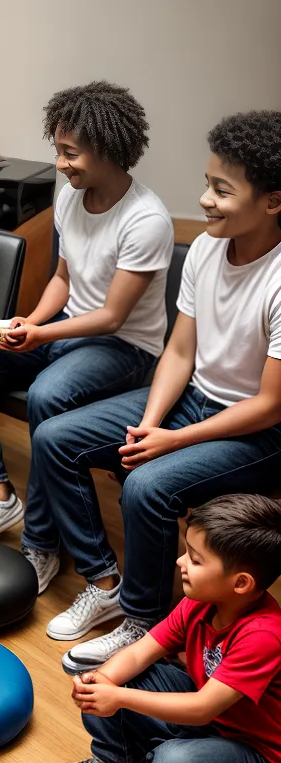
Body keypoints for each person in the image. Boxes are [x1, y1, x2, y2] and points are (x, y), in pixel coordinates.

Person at [32, 109, 281, 673]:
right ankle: (105, 582)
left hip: (260, 431)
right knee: (55, 438)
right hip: (196, 400)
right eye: (208, 184)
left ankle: (143, 622)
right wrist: (150, 423)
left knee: (147, 486)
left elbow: (269, 405)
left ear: (273, 202)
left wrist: (172, 440)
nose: (205, 200)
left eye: (222, 190)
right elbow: (180, 352)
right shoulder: (207, 249)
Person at [0, 82, 173, 569]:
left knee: (47, 395)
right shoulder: (70, 197)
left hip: (124, 347)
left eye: (70, 153)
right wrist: (32, 321)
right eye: (58, 150)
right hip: (67, 329)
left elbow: (112, 316)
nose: (60, 164)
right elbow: (63, 279)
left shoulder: (146, 220)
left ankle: (41, 542)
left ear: (107, 149)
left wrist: (41, 335)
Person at [53, 495, 281, 763]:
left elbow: (203, 708)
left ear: (240, 583)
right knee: (108, 680)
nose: (180, 562)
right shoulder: (199, 601)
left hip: (255, 755)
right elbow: (142, 651)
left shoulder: (264, 635)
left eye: (195, 559)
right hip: (211, 721)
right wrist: (104, 681)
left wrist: (119, 698)